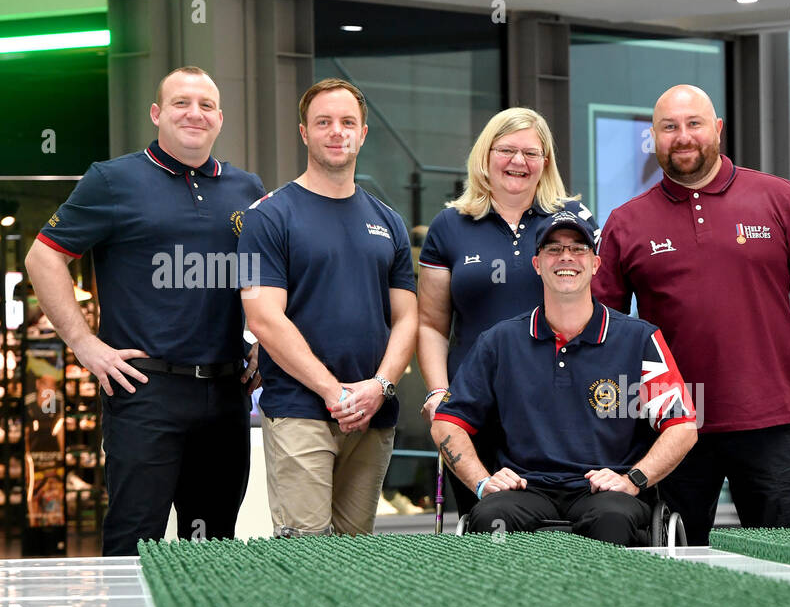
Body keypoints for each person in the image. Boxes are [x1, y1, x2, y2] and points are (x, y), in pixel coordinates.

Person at [25, 66, 264, 555]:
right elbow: (43, 255)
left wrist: (264, 342)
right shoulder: (112, 180)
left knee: (214, 543)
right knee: (135, 541)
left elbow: (264, 276)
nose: (194, 113)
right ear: (157, 113)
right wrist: (84, 345)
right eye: (180, 102)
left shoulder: (247, 189)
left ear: (220, 118)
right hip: (145, 390)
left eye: (205, 105)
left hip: (226, 392)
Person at [594, 84, 790, 545]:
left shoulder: (778, 197)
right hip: (671, 427)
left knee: (786, 560)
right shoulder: (626, 223)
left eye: (694, 124)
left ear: (718, 130)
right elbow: (604, 329)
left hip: (767, 418)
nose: (682, 137)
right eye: (669, 127)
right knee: (675, 564)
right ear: (653, 137)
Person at [431, 211, 697, 545]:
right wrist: (483, 483)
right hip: (526, 487)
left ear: (596, 264)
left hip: (606, 490)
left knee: (613, 518)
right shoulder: (500, 341)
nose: (566, 257)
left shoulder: (639, 340)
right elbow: (446, 423)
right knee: (489, 516)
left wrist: (633, 480)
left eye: (578, 248)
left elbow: (683, 426)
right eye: (553, 249)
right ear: (537, 264)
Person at [239, 78, 417, 536]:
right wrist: (332, 392)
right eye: (324, 122)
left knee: (353, 553)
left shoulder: (388, 220)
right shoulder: (270, 216)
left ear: (362, 134)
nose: (336, 132)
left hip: (373, 413)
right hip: (301, 408)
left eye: (347, 123)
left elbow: (407, 318)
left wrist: (379, 386)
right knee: (307, 553)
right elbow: (263, 317)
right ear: (304, 133)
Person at [416, 108, 595, 517]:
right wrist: (438, 392)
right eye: (507, 150)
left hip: (555, 409)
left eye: (531, 153)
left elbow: (598, 310)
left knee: (561, 525)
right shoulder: (449, 225)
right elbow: (430, 324)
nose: (518, 162)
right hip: (474, 404)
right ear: (485, 156)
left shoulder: (574, 221)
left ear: (545, 162)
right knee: (483, 521)